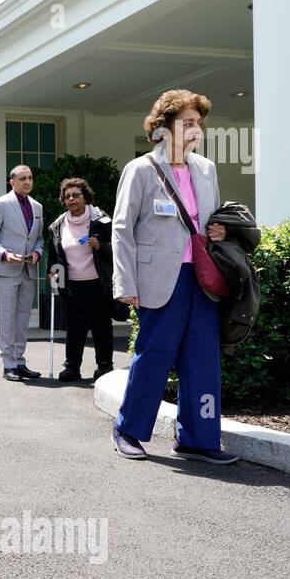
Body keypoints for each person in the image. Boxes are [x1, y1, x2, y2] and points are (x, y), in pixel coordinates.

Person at [111, 89, 238, 465]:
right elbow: (122, 228)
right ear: (164, 128)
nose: (196, 129)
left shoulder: (206, 169)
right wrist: (125, 284)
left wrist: (220, 232)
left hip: (200, 277)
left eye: (199, 123)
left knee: (202, 358)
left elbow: (208, 222)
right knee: (154, 355)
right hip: (157, 279)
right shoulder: (141, 170)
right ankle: (128, 430)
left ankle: (198, 439)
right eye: (188, 122)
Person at [45, 178, 115, 381]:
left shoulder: (102, 221)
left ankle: (104, 366)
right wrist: (52, 272)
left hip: (98, 282)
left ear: (86, 197)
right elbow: (54, 256)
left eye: (76, 195)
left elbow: (118, 249)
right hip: (72, 285)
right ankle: (72, 367)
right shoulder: (58, 225)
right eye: (67, 196)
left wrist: (101, 245)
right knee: (75, 327)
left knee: (101, 325)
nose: (71, 199)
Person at [0, 165, 44, 381]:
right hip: (6, 268)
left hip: (28, 269)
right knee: (7, 317)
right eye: (22, 178)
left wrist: (38, 252)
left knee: (23, 318)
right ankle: (8, 364)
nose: (27, 182)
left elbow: (39, 238)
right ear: (12, 182)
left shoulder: (37, 207)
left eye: (29, 178)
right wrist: (5, 254)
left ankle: (19, 361)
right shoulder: (0, 204)